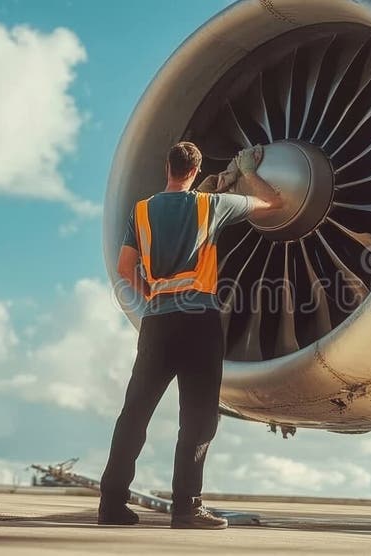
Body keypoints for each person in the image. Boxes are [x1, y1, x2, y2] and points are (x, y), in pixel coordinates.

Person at [99, 141, 282, 529]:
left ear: (168, 166)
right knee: (197, 418)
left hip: (158, 321)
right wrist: (247, 173)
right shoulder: (209, 206)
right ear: (196, 172)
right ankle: (186, 508)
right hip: (198, 320)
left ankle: (111, 504)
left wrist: (151, 293)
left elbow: (124, 266)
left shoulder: (142, 210)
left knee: (135, 413)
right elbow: (272, 204)